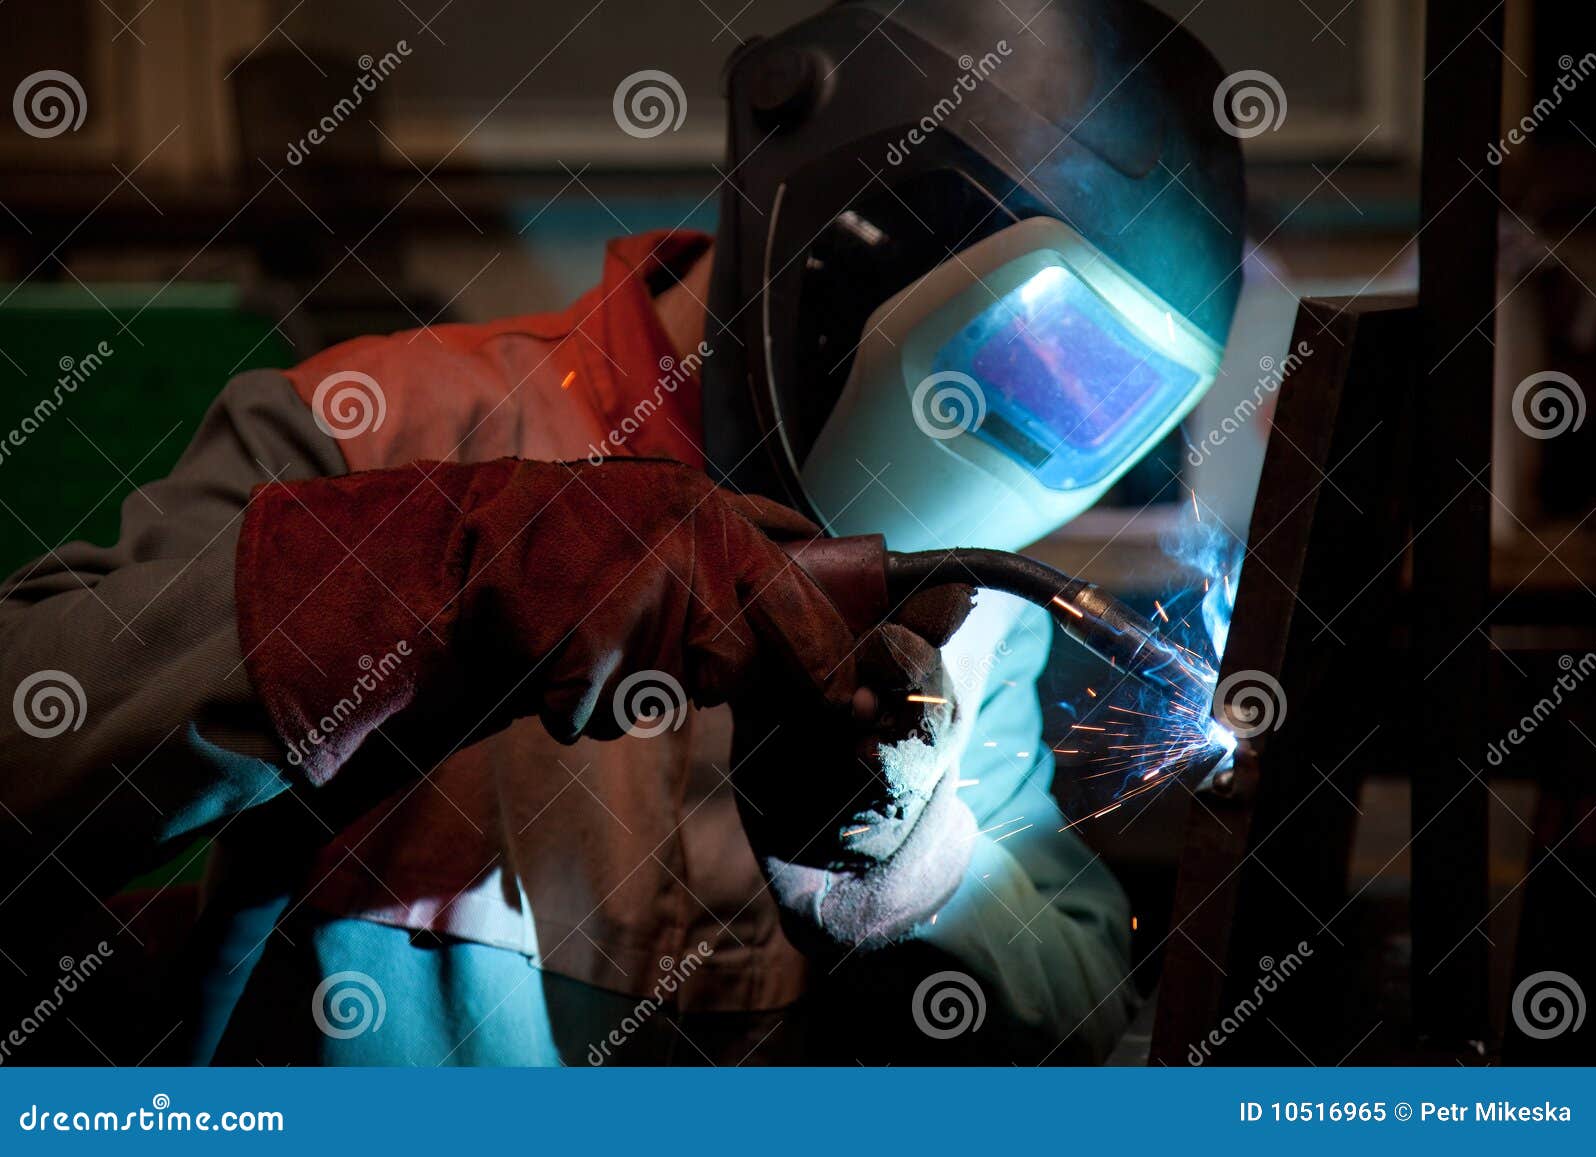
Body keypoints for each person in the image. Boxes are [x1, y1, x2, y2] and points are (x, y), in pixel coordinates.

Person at [0, 0, 1242, 1065]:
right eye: (1016, 355)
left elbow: (1078, 1006)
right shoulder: (378, 426)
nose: (1026, 418)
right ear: (864, 228)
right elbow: (30, 734)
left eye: (1088, 399)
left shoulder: (952, 612)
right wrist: (444, 574)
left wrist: (905, 863)